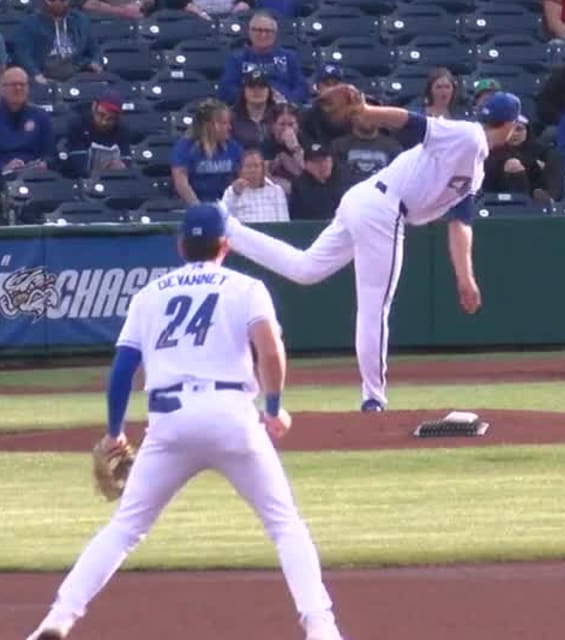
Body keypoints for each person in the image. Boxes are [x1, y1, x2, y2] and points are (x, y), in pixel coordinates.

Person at [22, 205, 344, 640]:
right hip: (232, 415)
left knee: (124, 529)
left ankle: (57, 619)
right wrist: (273, 407)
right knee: (285, 526)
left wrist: (115, 431)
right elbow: (269, 351)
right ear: (225, 246)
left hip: (169, 422)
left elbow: (121, 371)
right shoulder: (247, 287)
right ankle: (321, 629)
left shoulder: (149, 295)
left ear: (180, 246)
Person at [222, 88, 524, 411]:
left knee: (306, 269)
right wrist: (368, 110)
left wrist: (465, 277)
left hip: (366, 201)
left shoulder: (475, 167)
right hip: (384, 209)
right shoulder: (469, 136)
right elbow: (412, 122)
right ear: (508, 125)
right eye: (516, 125)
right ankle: (373, 398)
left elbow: (460, 223)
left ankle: (230, 230)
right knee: (374, 308)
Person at [0, 67, 54, 203]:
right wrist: (4, 167)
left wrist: (44, 164)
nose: (18, 88)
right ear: (2, 88)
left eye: (22, 84)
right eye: (13, 84)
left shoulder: (41, 116)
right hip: (1, 177)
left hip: (34, 174)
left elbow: (50, 154)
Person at [9, 0, 102, 83]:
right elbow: (23, 55)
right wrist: (35, 74)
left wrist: (95, 62)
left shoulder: (80, 21)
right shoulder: (29, 24)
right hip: (45, 76)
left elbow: (94, 49)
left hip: (77, 74)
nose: (57, 2)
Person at [218, 12, 306, 104]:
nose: (263, 35)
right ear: (249, 32)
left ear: (275, 34)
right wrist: (255, 97)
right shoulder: (237, 59)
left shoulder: (289, 57)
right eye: (258, 30)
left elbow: (302, 89)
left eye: (268, 31)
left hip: (282, 109)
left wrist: (286, 101)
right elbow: (226, 90)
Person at [171, 100, 242, 205]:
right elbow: (181, 183)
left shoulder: (233, 147)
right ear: (209, 125)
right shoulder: (185, 148)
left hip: (228, 207)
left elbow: (243, 176)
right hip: (195, 207)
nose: (229, 127)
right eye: (224, 123)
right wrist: (200, 209)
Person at [61, 92, 132, 179]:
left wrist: (122, 166)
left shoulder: (122, 129)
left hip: (111, 180)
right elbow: (78, 165)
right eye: (101, 115)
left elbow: (126, 160)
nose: (104, 122)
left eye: (111, 119)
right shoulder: (78, 124)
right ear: (94, 107)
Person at [484, 119, 560, 201]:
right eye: (510, 130)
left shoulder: (536, 147)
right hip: (498, 187)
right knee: (513, 164)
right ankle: (520, 204)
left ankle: (551, 198)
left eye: (519, 129)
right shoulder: (492, 147)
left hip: (534, 186)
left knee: (555, 159)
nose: (514, 134)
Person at [330, 115, 403, 187]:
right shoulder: (338, 146)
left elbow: (397, 179)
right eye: (364, 114)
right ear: (353, 118)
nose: (369, 118)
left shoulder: (393, 146)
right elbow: (337, 181)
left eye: (373, 115)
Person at [223, 151, 290, 223]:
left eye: (256, 166)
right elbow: (225, 219)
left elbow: (284, 221)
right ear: (240, 170)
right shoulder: (232, 192)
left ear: (262, 169)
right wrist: (235, 194)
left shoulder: (276, 191)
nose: (253, 170)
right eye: (248, 166)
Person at [289, 142, 344, 221]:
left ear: (331, 161)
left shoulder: (342, 180)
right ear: (306, 165)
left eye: (325, 160)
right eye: (315, 161)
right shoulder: (300, 186)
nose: (322, 165)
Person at [231, 69, 279, 150]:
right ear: (243, 91)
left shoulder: (279, 115)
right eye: (251, 87)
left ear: (269, 91)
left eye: (262, 87)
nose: (257, 91)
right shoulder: (231, 117)